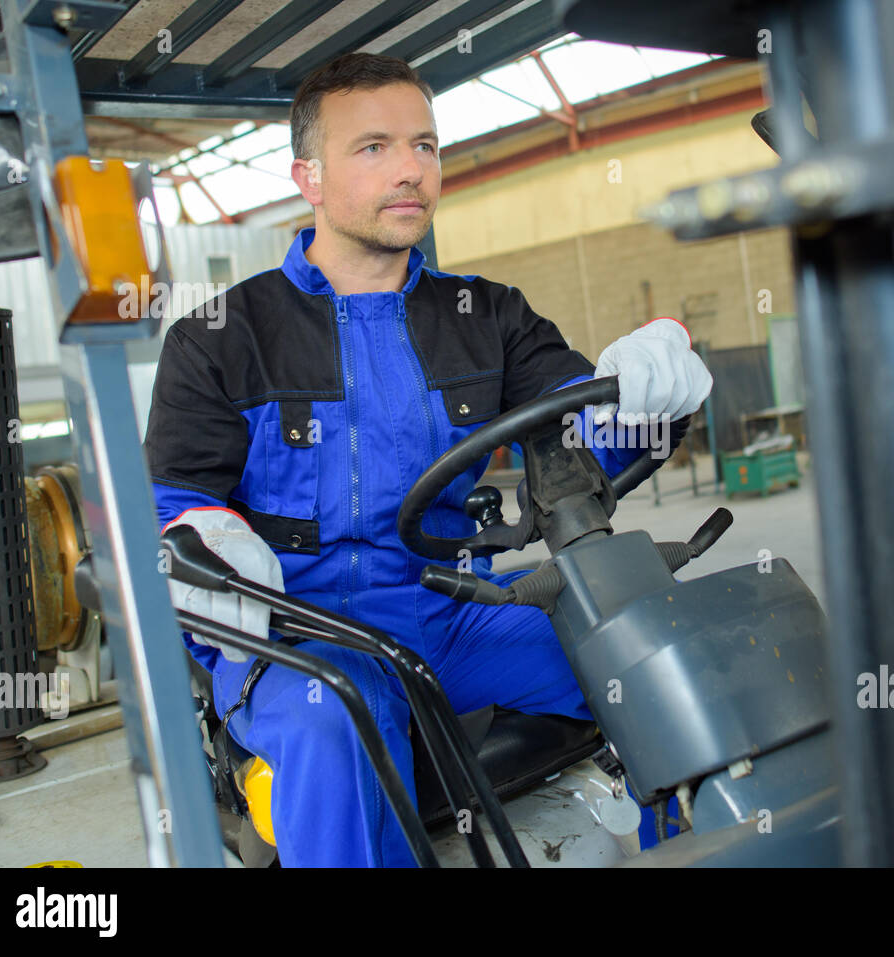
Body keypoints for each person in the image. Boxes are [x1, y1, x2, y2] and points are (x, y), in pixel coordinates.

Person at [143, 52, 712, 866]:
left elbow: (588, 442)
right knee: (338, 712)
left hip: (448, 609)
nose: (411, 170)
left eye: (425, 145)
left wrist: (653, 387)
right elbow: (174, 508)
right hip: (299, 634)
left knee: (655, 648)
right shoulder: (220, 338)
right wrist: (207, 534)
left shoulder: (487, 316)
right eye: (373, 148)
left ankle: (706, 848)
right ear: (308, 176)